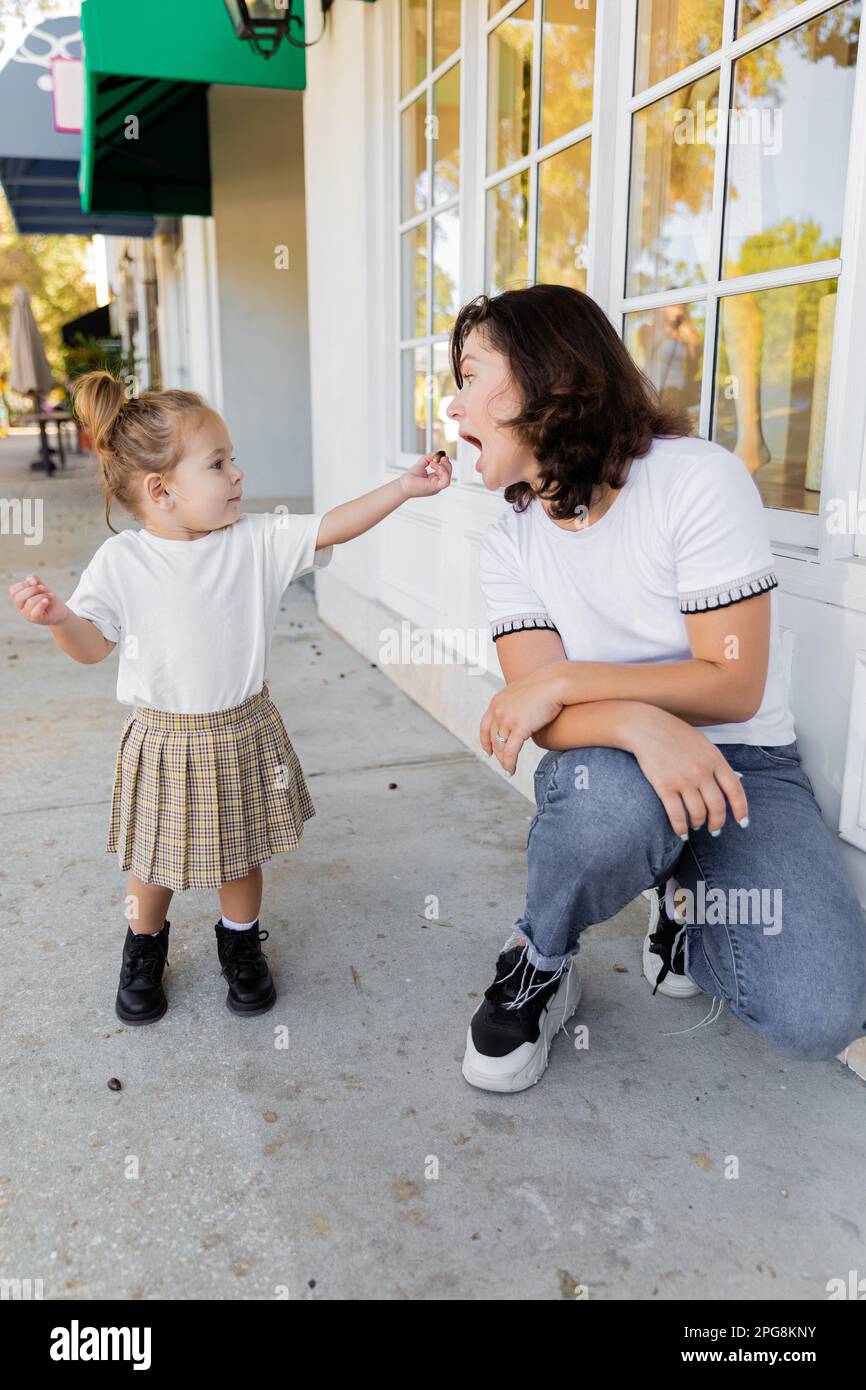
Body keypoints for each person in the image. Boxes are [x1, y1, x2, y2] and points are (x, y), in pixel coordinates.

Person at [446, 284, 866, 1094]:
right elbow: (545, 722)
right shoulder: (510, 541)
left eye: (470, 374)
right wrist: (641, 724)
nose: (453, 403)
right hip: (610, 759)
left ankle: (685, 908)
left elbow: (734, 684)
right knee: (610, 807)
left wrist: (569, 680)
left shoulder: (695, 480)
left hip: (746, 763)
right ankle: (541, 958)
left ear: (541, 376)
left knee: (820, 1015)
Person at [8, 371, 451, 1025]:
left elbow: (331, 526)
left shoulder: (256, 542)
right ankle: (144, 945)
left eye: (232, 458)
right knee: (151, 864)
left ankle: (240, 945)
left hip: (242, 732)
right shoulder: (123, 562)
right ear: (161, 492)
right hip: (163, 740)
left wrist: (404, 488)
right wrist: (56, 620)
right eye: (218, 464)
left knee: (240, 856)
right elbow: (92, 645)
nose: (238, 474)